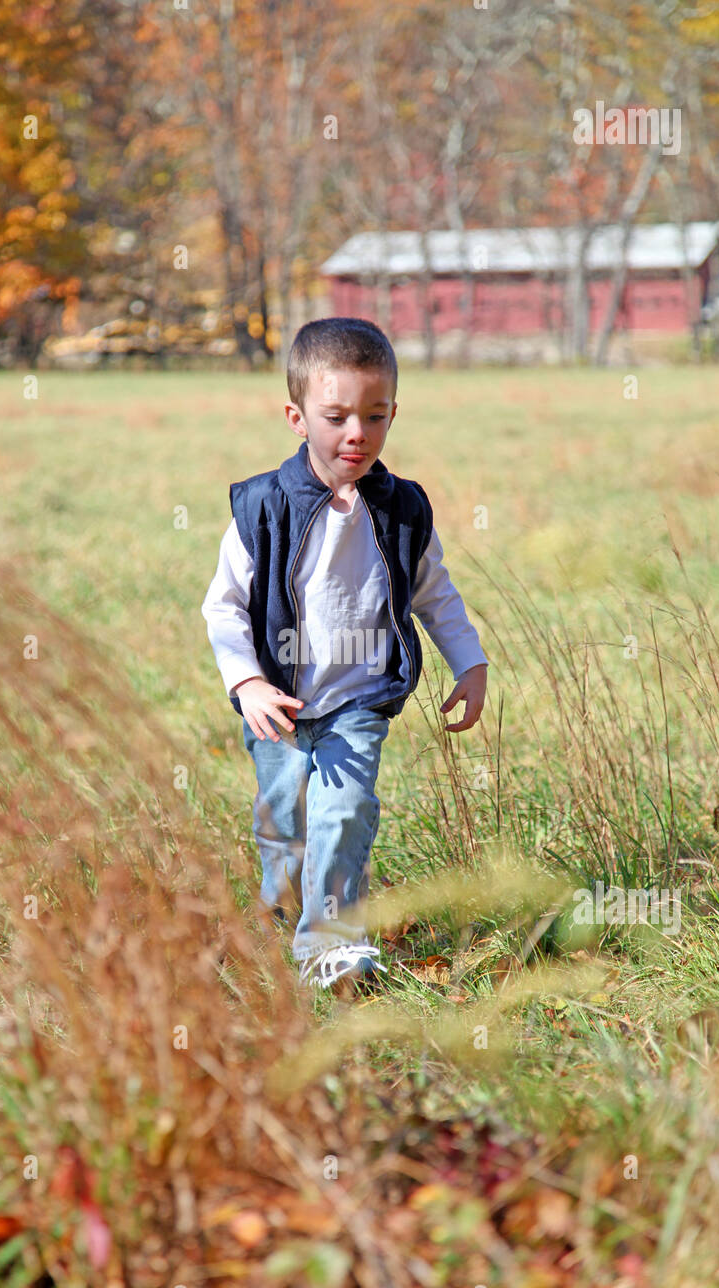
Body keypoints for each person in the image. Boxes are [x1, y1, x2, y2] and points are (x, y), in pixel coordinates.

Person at [201, 317, 489, 993]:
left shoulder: (402, 511)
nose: (355, 433)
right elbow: (224, 607)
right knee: (285, 825)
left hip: (357, 702)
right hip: (278, 704)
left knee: (344, 810)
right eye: (336, 416)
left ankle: (331, 950)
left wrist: (469, 662)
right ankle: (280, 911)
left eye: (374, 415)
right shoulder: (262, 508)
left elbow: (434, 595)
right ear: (296, 417)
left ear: (393, 414)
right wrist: (247, 685)